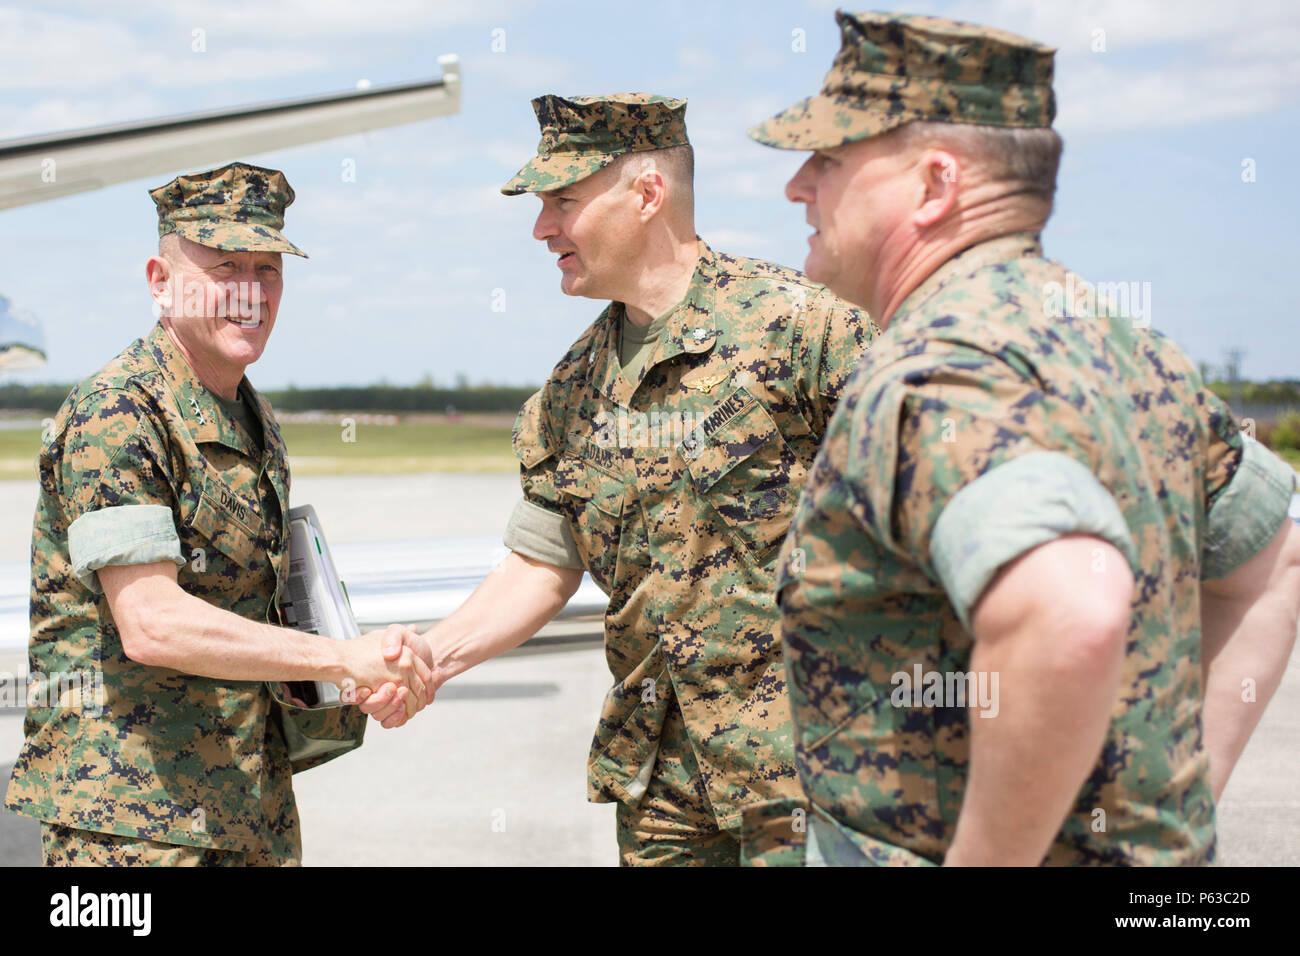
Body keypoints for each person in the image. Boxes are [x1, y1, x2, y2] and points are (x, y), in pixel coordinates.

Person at [745, 11, 1300, 865]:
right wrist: (1166, 829)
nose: (797, 187)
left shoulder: (934, 375)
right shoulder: (1132, 350)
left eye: (830, 158)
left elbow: (1069, 612)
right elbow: (1273, 566)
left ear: (934, 186)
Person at [359, 94, 874, 865]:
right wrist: (428, 660)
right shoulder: (572, 390)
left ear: (647, 195)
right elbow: (539, 565)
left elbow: (923, 523)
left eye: (563, 201)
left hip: (803, 777)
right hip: (662, 790)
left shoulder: (806, 333)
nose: (542, 229)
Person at [4, 162, 433, 866]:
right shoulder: (118, 412)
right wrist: (340, 659)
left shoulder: (248, 413)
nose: (252, 293)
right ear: (159, 280)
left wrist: (357, 680)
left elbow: (261, 613)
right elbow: (153, 623)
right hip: (133, 826)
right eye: (227, 265)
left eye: (268, 270)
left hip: (243, 808)